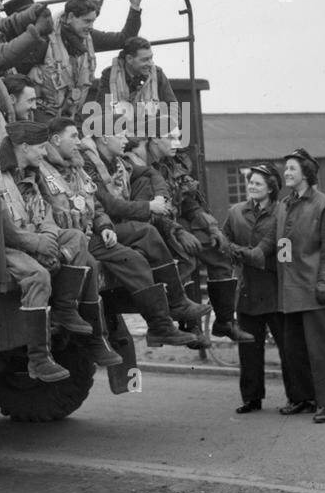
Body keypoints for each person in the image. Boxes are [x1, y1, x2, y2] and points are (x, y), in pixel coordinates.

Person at [34, 117, 198, 346]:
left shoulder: (77, 166)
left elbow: (95, 204)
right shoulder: (42, 170)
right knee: (98, 264)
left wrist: (104, 226)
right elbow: (42, 213)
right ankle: (98, 342)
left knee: (136, 258)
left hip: (91, 233)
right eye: (73, 136)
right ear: (56, 139)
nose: (78, 141)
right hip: (68, 240)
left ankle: (161, 325)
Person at [0, 119, 123, 382]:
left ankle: (66, 309)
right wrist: (36, 243)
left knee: (76, 238)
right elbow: (5, 228)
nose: (44, 153)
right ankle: (38, 360)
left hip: (36, 238)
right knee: (38, 276)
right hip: (8, 246)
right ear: (23, 146)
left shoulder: (30, 173)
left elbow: (45, 211)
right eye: (40, 147)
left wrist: (48, 237)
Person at [79, 134, 213, 327]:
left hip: (112, 226)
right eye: (120, 135)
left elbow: (151, 173)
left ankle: (178, 313)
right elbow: (110, 206)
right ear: (105, 139)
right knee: (147, 234)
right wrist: (149, 207)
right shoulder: (88, 166)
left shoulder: (117, 163)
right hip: (99, 230)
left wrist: (159, 198)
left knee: (144, 188)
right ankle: (171, 312)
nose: (126, 140)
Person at [131, 133, 246, 343]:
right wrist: (178, 231)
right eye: (170, 137)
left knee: (220, 252)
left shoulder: (171, 165)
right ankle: (190, 325)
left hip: (174, 223)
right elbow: (147, 211)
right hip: (155, 229)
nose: (177, 143)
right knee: (186, 258)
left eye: (178, 137)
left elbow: (187, 202)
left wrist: (210, 226)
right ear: (154, 139)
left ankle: (225, 322)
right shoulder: (141, 167)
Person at [275, 148, 325, 423]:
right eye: (286, 168)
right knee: (295, 350)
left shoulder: (323, 205)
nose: (286, 173)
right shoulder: (285, 204)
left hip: (316, 291)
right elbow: (281, 246)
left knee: (323, 350)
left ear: (306, 173)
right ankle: (304, 398)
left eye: (292, 168)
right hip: (291, 291)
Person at [224, 163, 300, 414]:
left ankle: (296, 397)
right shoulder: (235, 212)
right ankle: (251, 398)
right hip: (247, 290)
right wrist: (235, 253)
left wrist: (239, 252)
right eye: (251, 182)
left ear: (271, 188)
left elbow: (284, 254)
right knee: (248, 349)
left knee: (288, 350)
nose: (252, 186)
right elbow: (223, 244)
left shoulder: (283, 213)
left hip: (276, 291)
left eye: (258, 183)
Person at [32, 0, 143, 117]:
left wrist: (135, 6)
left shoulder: (88, 37)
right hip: (42, 113)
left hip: (70, 115)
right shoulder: (45, 40)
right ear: (70, 17)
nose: (91, 26)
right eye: (87, 21)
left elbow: (124, 39)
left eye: (93, 21)